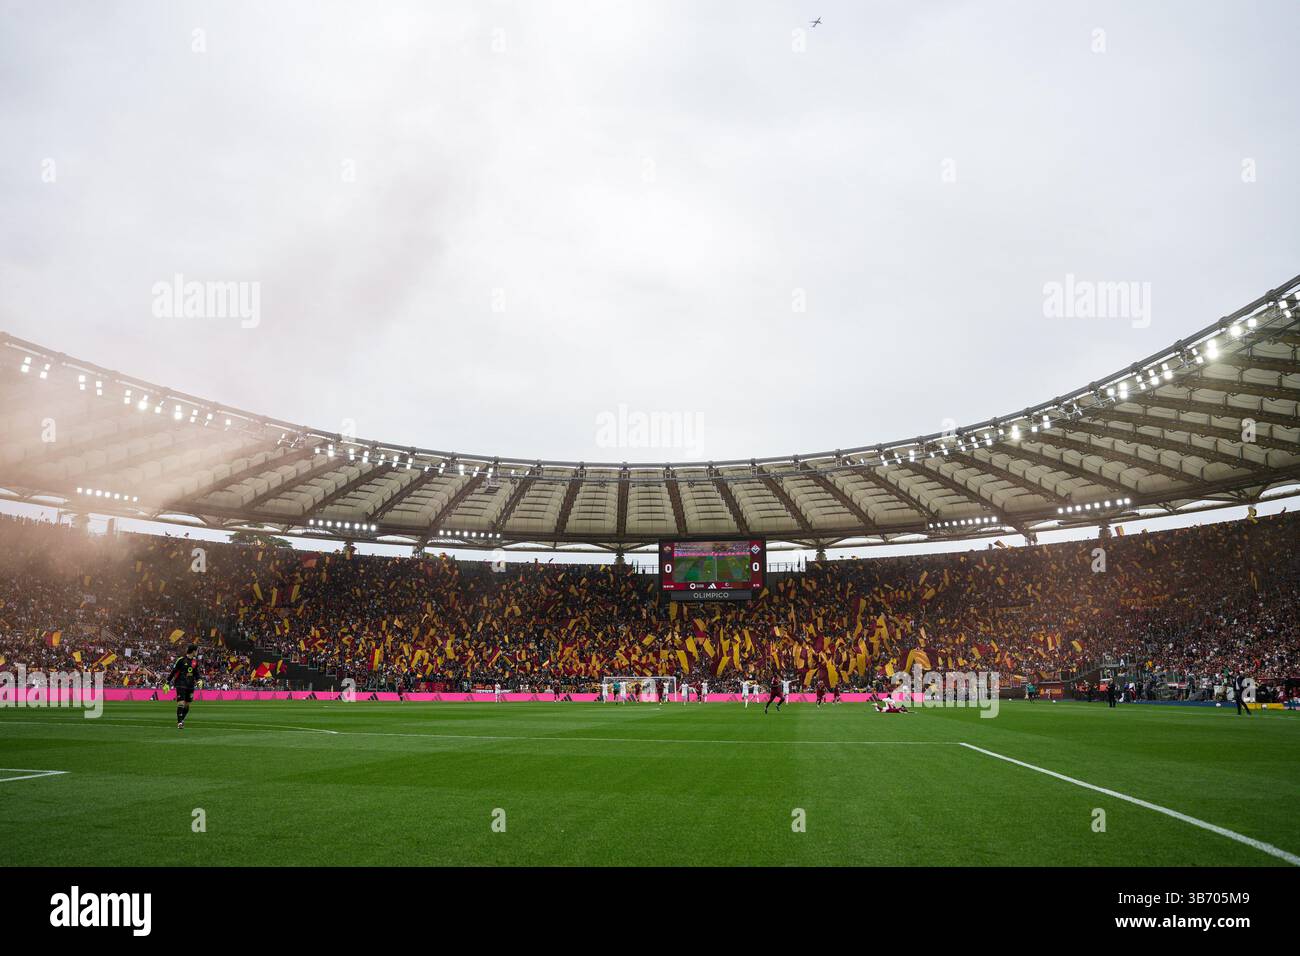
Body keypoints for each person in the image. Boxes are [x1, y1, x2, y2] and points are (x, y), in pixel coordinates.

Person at [167, 643, 202, 730]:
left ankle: (181, 719)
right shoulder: (181, 660)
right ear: (193, 651)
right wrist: (167, 682)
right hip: (180, 684)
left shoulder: (194, 662)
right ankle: (179, 723)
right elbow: (174, 671)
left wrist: (199, 680)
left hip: (190, 685)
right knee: (181, 703)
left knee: (187, 705)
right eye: (197, 651)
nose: (197, 652)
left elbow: (196, 673)